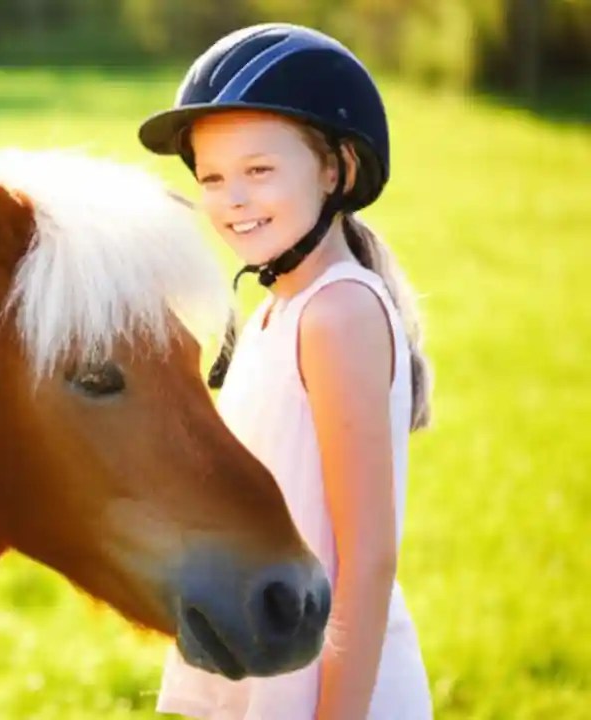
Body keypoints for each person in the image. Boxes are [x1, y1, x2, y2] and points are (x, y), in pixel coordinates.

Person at [138, 23, 434, 719]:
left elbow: (367, 561)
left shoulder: (338, 314)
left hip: (332, 691)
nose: (231, 199)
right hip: (268, 662)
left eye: (259, 171)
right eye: (212, 178)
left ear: (335, 170)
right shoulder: (276, 313)